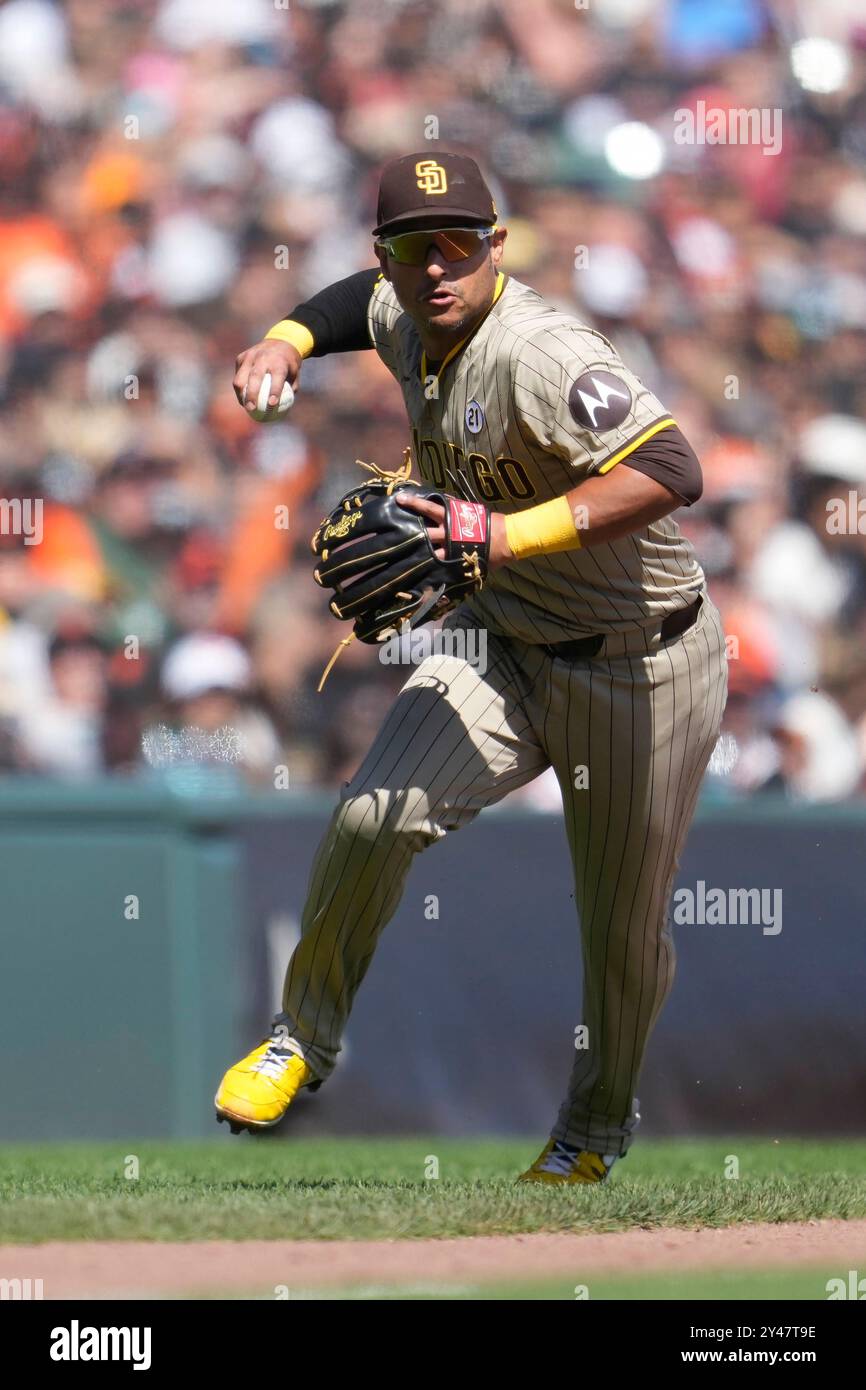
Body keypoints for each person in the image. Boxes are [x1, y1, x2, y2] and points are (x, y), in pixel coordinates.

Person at [215, 152, 728, 1184]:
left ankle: (592, 1127)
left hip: (642, 661)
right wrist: (282, 338)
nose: (438, 267)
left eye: (461, 243)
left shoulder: (537, 351)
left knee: (620, 934)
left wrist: (502, 537)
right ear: (388, 258)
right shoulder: (406, 307)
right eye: (415, 247)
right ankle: (300, 1040)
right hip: (503, 644)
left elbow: (673, 469)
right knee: (371, 814)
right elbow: (356, 307)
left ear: (498, 247)